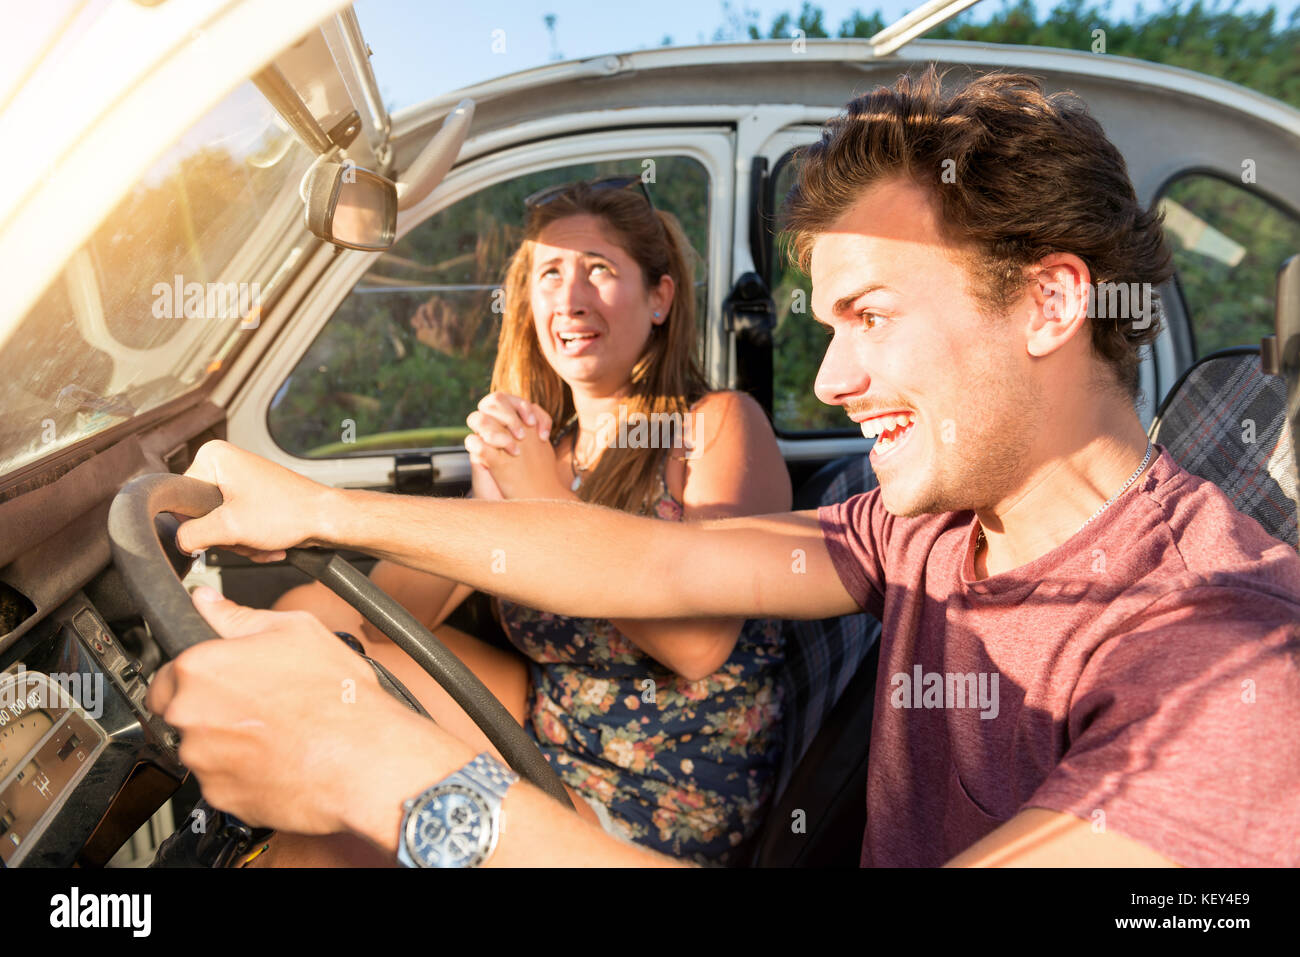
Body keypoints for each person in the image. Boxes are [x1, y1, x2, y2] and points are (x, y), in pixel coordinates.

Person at [150, 67, 1300, 868]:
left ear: (1049, 301)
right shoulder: (934, 530)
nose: (838, 380)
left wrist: (389, 784)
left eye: (871, 317)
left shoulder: (1226, 672)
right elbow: (653, 568)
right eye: (828, 328)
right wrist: (311, 503)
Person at [258, 176, 791, 866]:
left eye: (600, 270)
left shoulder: (715, 424)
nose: (570, 299)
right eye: (550, 273)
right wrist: (489, 504)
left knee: (325, 847)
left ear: (660, 297)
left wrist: (544, 499)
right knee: (315, 622)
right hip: (543, 733)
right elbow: (387, 612)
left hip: (660, 793)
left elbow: (699, 644)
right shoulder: (552, 448)